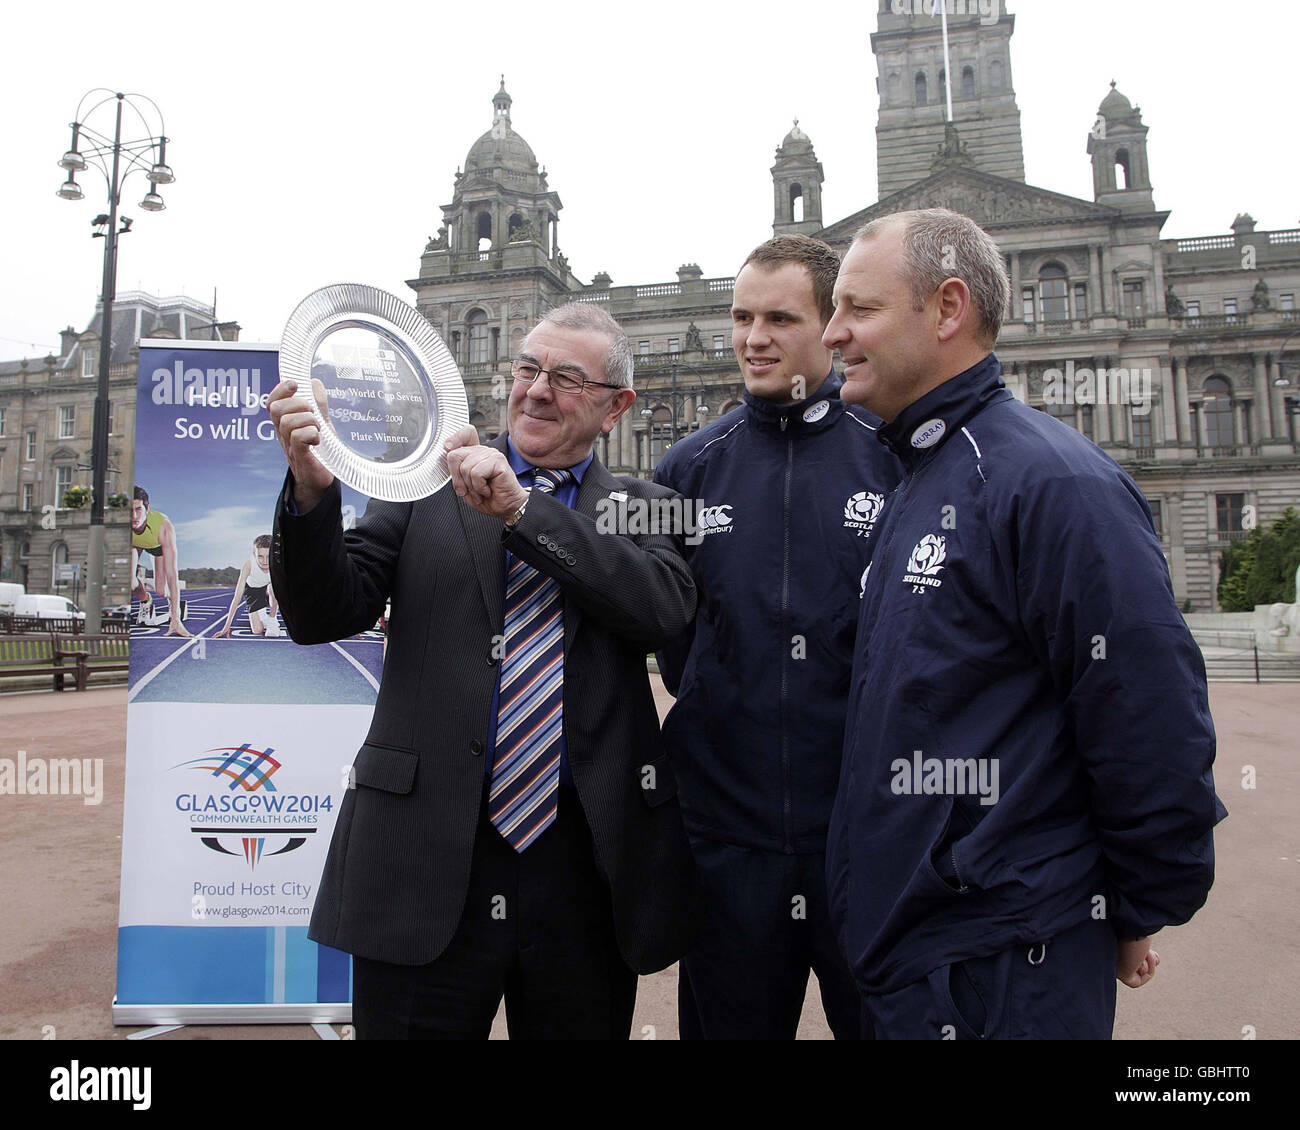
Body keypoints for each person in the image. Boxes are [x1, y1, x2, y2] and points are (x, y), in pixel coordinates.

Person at [821, 207, 1227, 1039]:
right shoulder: (921, 474)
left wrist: (1132, 906)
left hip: (1005, 960)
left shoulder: (1051, 482)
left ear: (947, 308)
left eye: (858, 309)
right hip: (922, 951)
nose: (832, 335)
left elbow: (1150, 719)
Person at [268, 302, 701, 1040]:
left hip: (582, 867)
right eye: (527, 368)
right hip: (424, 854)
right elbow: (322, 614)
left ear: (614, 407)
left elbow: (660, 612)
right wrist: (311, 491)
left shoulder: (648, 507)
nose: (535, 390)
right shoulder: (421, 486)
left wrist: (521, 511)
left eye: (566, 378)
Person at [654, 235, 901, 1040]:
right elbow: (679, 644)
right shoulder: (689, 469)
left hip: (868, 846)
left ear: (830, 326)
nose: (753, 337)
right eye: (741, 317)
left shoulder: (896, 458)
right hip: (730, 851)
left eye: (779, 317)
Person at [130, 485, 191, 637]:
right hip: (134, 544)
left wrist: (175, 618)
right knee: (129, 580)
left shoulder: (163, 526)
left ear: (147, 509)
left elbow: (172, 573)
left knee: (161, 591)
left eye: (138, 510)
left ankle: (176, 606)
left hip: (158, 549)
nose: (134, 516)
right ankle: (145, 600)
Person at [215, 535, 280, 638]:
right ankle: (261, 613)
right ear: (254, 555)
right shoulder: (249, 565)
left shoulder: (278, 563)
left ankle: (272, 620)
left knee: (273, 588)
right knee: (257, 631)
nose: (265, 561)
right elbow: (237, 597)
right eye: (260, 556)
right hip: (253, 591)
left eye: (268, 556)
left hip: (269, 590)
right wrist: (226, 627)